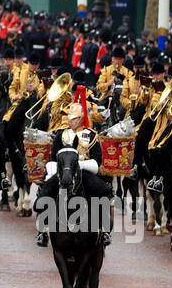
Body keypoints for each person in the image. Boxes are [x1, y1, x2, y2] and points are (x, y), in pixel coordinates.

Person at [35, 102, 114, 247]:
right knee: (46, 191)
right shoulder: (61, 134)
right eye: (69, 118)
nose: (71, 121)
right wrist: (53, 171)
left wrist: (80, 165)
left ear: (81, 118)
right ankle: (43, 231)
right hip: (63, 171)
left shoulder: (91, 135)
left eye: (74, 118)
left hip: (84, 170)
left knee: (102, 191)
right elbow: (53, 157)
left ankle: (104, 230)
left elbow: (97, 160)